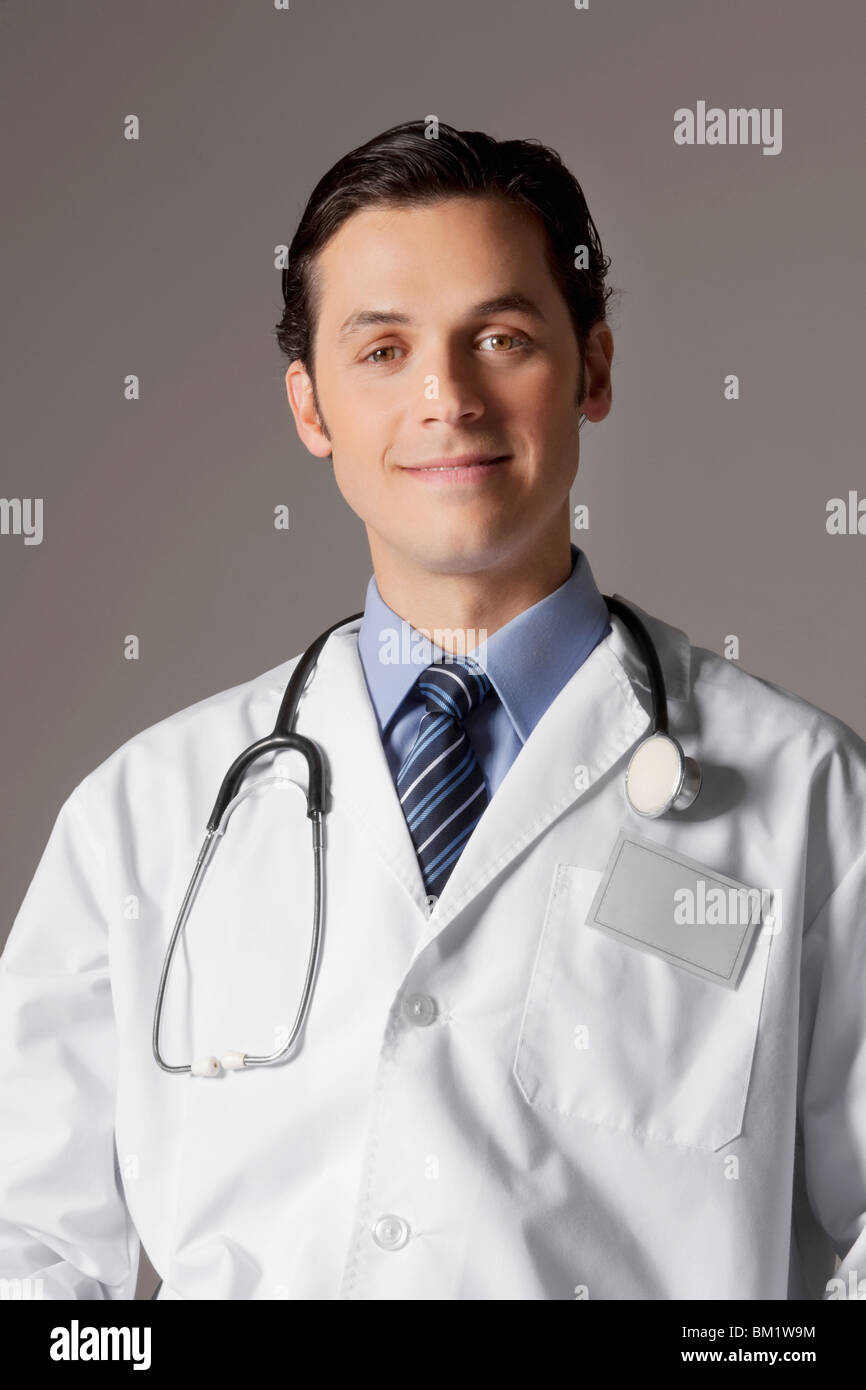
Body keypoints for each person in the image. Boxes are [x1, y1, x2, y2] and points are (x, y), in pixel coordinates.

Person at [1, 119, 864, 1302]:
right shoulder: (145, 817)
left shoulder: (806, 793)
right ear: (310, 407)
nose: (444, 397)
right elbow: (25, 1250)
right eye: (382, 349)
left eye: (498, 338)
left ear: (592, 369)